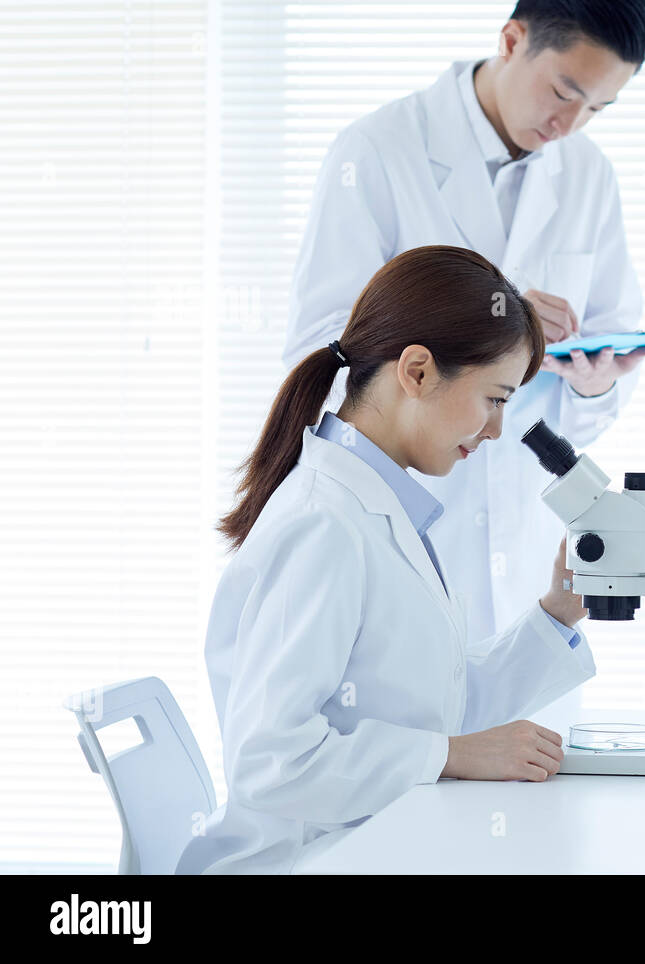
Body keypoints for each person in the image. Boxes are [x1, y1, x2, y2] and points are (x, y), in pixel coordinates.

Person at [176, 246, 594, 875]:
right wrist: (449, 756)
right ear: (418, 372)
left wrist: (557, 614)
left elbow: (431, 706)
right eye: (496, 398)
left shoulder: (374, 503)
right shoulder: (324, 523)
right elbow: (272, 763)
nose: (496, 431)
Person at [282, 1, 645, 644]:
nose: (571, 124)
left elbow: (594, 382)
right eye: (565, 91)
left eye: (597, 107)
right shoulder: (377, 150)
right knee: (418, 726)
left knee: (528, 727)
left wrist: (596, 385)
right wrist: (496, 319)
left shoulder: (589, 175)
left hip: (526, 540)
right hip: (402, 512)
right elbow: (323, 344)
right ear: (512, 40)